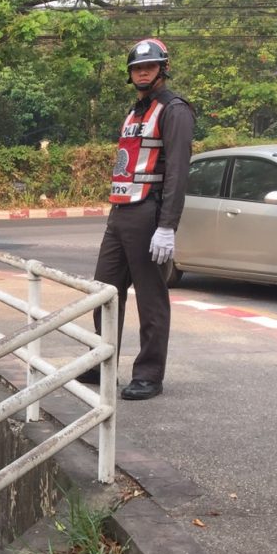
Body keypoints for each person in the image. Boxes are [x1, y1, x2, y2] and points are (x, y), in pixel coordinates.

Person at [79, 37, 195, 401]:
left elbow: (177, 171)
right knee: (104, 291)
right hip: (121, 211)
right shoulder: (134, 112)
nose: (142, 72)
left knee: (151, 297)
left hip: (150, 211)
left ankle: (148, 374)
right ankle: (103, 361)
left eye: (149, 66)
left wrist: (167, 226)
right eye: (136, 68)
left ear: (163, 68)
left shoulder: (175, 110)